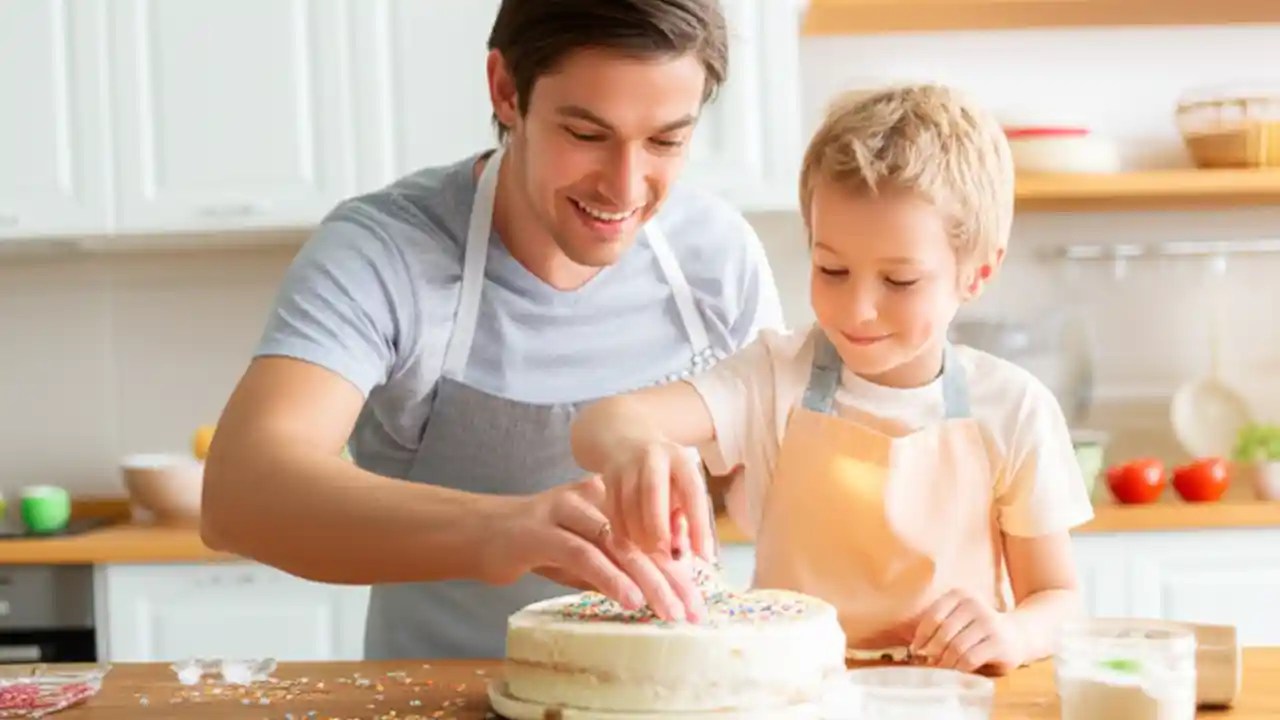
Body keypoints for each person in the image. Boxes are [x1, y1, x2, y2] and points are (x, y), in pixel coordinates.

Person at [200, 0, 784, 660]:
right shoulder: (386, 252)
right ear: (506, 92)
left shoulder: (718, 256)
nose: (626, 187)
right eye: (586, 134)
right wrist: (503, 529)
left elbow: (786, 486)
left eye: (666, 141)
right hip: (442, 696)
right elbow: (239, 494)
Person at [571, 84, 1095, 675]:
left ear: (977, 273)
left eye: (899, 282)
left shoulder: (1014, 408)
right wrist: (633, 447)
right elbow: (604, 420)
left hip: (948, 699)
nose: (858, 309)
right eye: (832, 269)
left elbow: (1057, 599)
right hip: (788, 694)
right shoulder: (773, 377)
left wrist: (1012, 634)